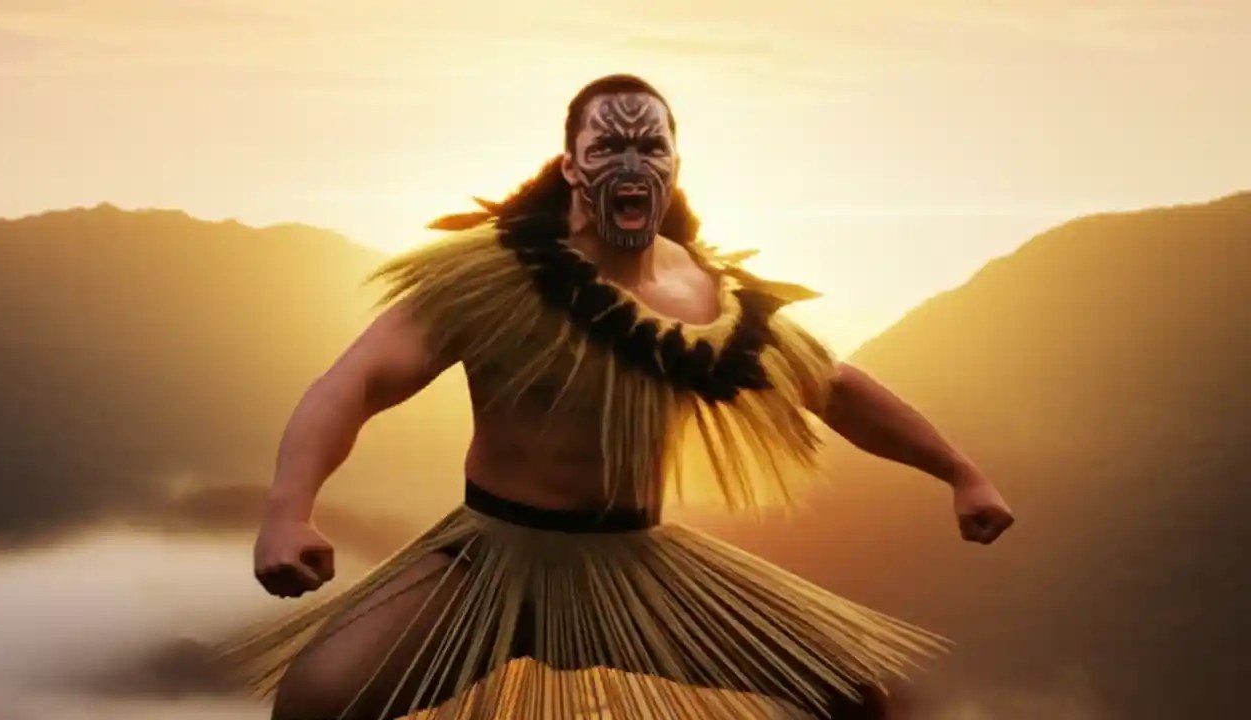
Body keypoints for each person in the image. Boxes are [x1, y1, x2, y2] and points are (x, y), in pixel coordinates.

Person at [218, 74, 1014, 719]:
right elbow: (351, 383)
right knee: (316, 704)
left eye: (650, 145)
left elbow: (835, 390)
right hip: (485, 556)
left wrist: (960, 470)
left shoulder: (713, 300)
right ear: (571, 166)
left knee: (862, 701)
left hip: (638, 563)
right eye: (609, 146)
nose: (631, 163)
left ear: (673, 167)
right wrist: (289, 510)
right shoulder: (490, 279)